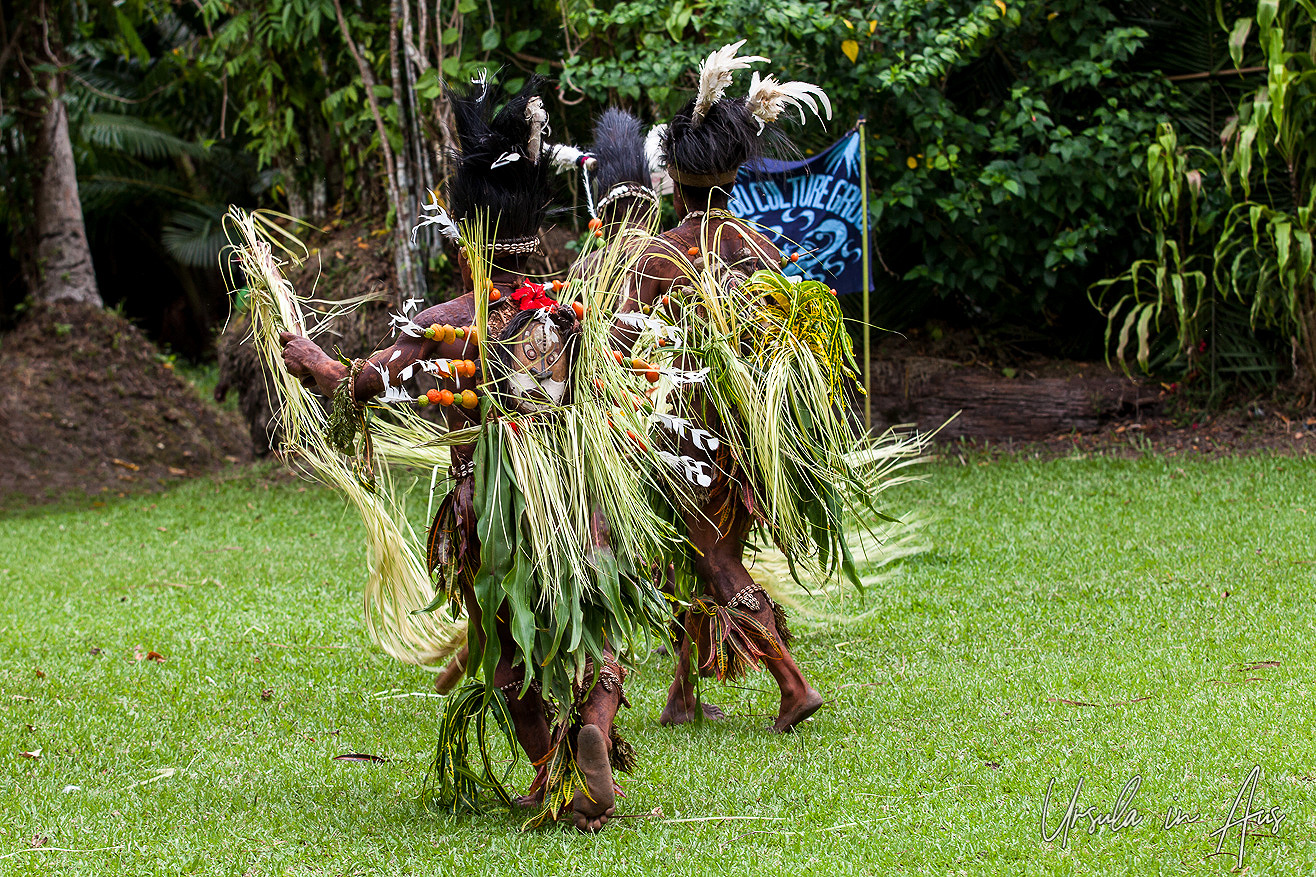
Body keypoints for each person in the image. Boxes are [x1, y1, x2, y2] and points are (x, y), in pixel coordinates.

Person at [280, 74, 664, 832]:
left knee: (506, 658)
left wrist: (313, 361)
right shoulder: (571, 314)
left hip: (493, 511)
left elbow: (367, 382)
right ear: (536, 232)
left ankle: (557, 761)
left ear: (467, 244)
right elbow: (634, 360)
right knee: (594, 625)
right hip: (584, 496)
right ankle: (593, 718)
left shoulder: (449, 321)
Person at [613, 43, 847, 733]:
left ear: (677, 185)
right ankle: (683, 694)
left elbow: (623, 342)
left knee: (712, 558)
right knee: (707, 554)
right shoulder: (762, 248)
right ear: (732, 180)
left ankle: (792, 682)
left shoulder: (660, 253)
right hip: (751, 432)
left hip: (687, 431)